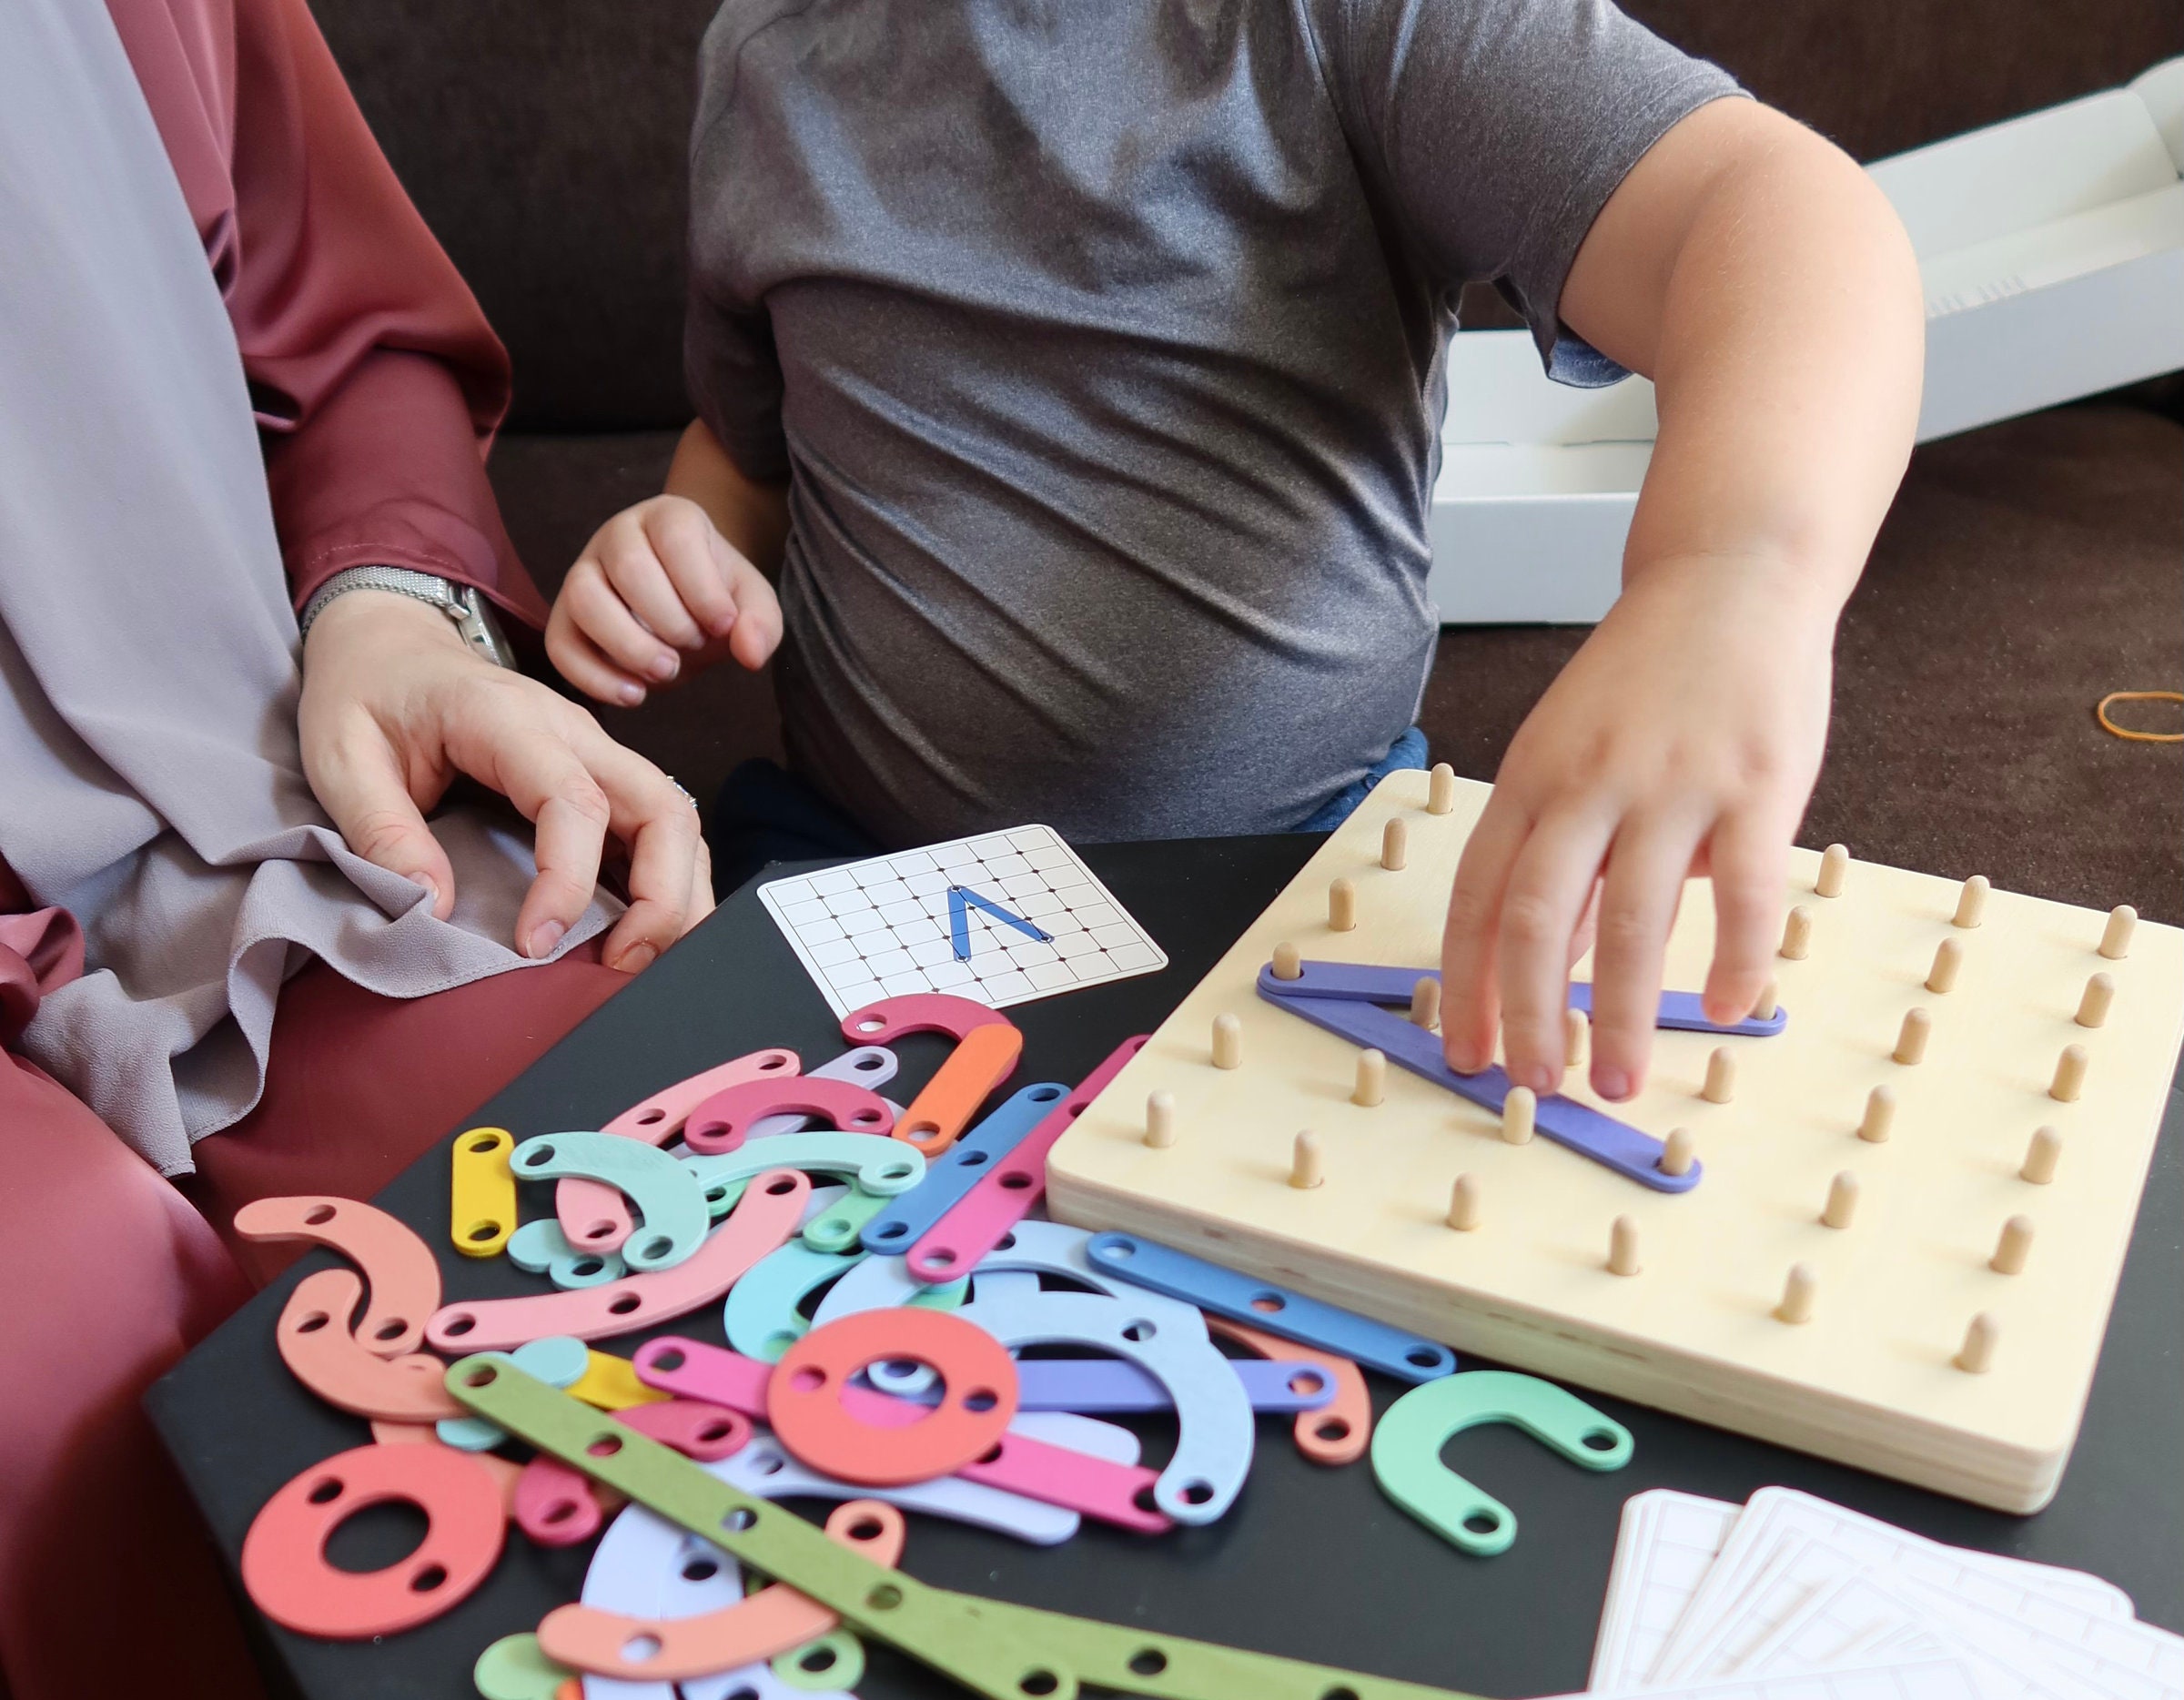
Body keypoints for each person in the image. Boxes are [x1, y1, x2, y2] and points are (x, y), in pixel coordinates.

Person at [1, 3, 689, 1700]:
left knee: (595, 1131)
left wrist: (390, 615)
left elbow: (347, 331)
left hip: (207, 817)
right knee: (61, 1383)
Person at [548, 0, 1924, 1107]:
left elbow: (1769, 205)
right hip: (856, 863)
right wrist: (686, 542)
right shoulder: (768, 55)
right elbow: (749, 450)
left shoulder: (1357, 27)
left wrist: (1731, 578)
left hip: (1290, 863)